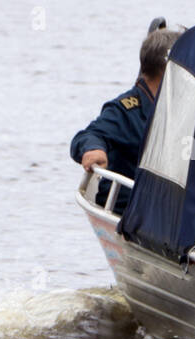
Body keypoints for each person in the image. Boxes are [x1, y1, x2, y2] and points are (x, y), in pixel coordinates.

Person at [71, 20, 181, 213]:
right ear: (170, 72)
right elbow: (87, 136)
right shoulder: (125, 110)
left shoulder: (184, 109)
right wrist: (94, 149)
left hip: (170, 212)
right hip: (130, 211)